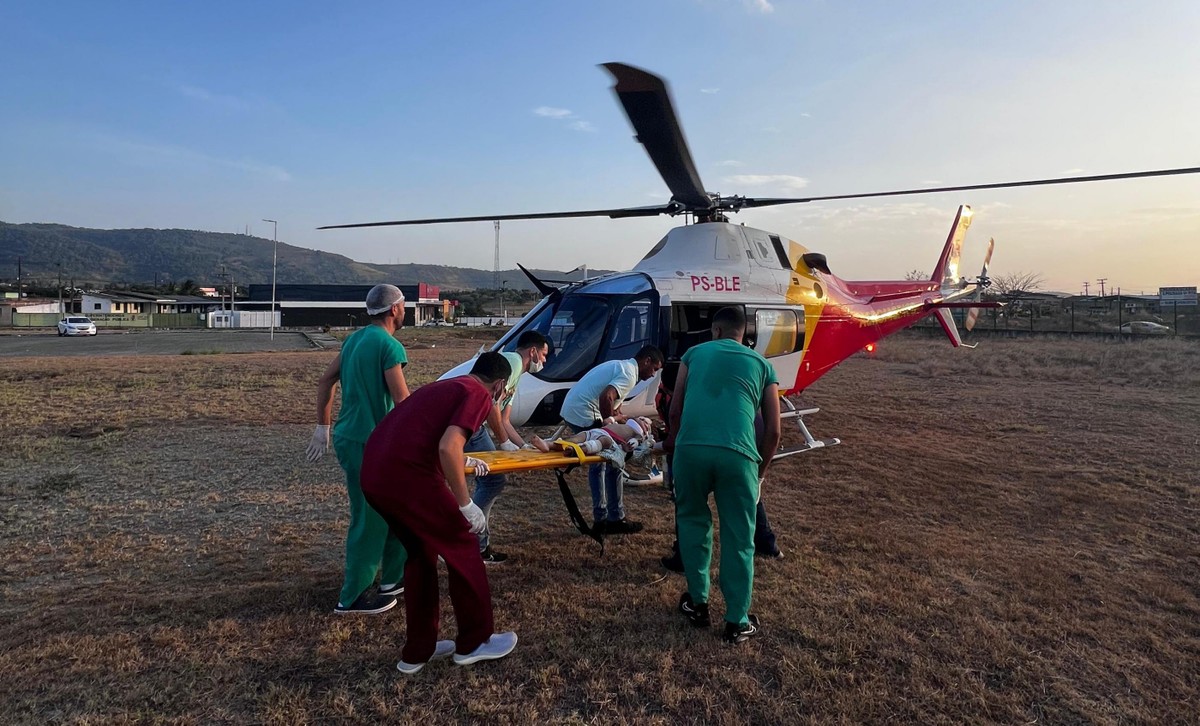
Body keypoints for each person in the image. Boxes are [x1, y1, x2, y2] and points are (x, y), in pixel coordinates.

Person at [360, 352, 518, 674]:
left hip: (374, 476)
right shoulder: (477, 393)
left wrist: (463, 460)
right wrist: (465, 504)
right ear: (499, 386)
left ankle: (418, 651)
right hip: (408, 477)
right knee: (464, 543)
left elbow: (426, 437)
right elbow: (448, 446)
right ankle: (475, 641)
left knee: (421, 553)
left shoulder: (446, 386)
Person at [668, 307, 781, 644]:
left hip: (691, 451)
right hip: (739, 454)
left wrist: (677, 447)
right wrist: (759, 475)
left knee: (692, 522)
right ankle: (736, 621)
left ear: (715, 331)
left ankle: (697, 603)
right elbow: (774, 431)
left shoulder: (693, 354)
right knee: (739, 537)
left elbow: (675, 410)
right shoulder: (763, 365)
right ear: (744, 335)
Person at [306, 284, 411, 615]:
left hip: (352, 437)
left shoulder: (354, 340)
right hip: (372, 442)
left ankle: (393, 578)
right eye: (404, 305)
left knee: (397, 508)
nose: (404, 310)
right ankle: (352, 597)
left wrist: (323, 426)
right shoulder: (389, 346)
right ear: (394, 309)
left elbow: (325, 380)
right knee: (370, 516)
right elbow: (402, 402)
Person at [464, 331, 550, 564]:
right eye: (544, 355)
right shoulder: (512, 363)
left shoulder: (517, 373)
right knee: (493, 481)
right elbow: (491, 404)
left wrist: (523, 447)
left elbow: (504, 420)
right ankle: (471, 541)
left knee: (492, 481)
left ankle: (477, 544)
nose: (544, 361)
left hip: (476, 425)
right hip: (474, 425)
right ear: (533, 351)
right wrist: (504, 442)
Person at [559, 345, 664, 534]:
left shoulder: (624, 367)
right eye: (654, 368)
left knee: (603, 463)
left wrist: (623, 420)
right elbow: (606, 397)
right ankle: (612, 518)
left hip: (574, 410)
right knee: (612, 460)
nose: (653, 374)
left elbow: (614, 405)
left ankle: (605, 517)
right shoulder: (629, 374)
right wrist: (611, 428)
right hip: (584, 413)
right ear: (646, 361)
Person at [531, 415, 654, 454]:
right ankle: (549, 445)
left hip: (609, 439)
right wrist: (617, 417)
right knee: (574, 438)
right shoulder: (621, 424)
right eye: (641, 418)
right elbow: (606, 421)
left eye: (644, 421)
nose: (641, 420)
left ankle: (577, 450)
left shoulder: (636, 433)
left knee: (603, 442)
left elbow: (635, 442)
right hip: (597, 431)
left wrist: (629, 445)